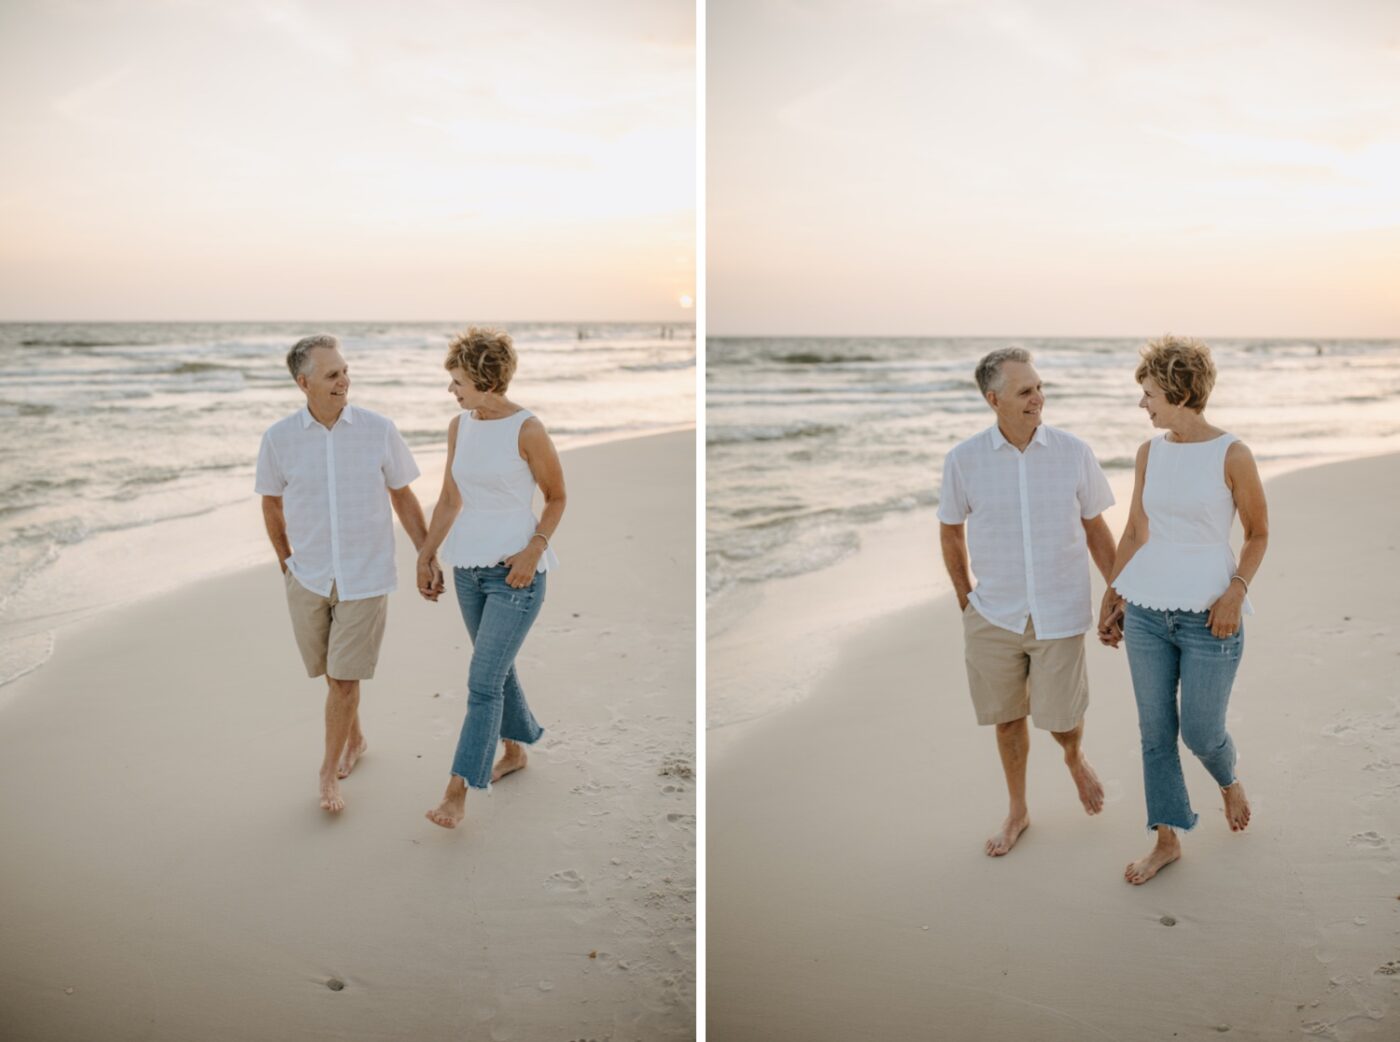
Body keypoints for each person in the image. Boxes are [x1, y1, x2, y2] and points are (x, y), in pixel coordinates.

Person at [1098, 335, 1268, 885]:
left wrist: (1236, 591)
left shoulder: (1233, 454)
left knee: (1201, 732)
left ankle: (1227, 779)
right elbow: (1135, 530)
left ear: (1178, 390)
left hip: (1210, 615)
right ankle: (1166, 839)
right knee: (1154, 733)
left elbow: (1258, 533)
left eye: (1148, 393)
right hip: (1147, 611)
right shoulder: (1151, 453)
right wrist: (1113, 591)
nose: (1142, 404)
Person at [938, 347, 1119, 857]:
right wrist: (964, 599)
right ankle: (1018, 809)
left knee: (1062, 717)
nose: (1038, 398)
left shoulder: (1073, 452)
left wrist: (1115, 592)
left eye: (1040, 387)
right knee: (1007, 716)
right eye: (1025, 391)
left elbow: (1096, 528)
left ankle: (1073, 757)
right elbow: (950, 532)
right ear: (993, 400)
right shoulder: (964, 460)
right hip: (993, 612)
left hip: (1060, 610)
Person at [255, 333, 431, 814]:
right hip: (308, 575)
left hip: (366, 575)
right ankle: (355, 739)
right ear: (303, 382)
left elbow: (403, 495)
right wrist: (286, 563)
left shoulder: (378, 430)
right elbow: (271, 504)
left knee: (345, 680)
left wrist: (425, 553)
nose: (344, 381)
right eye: (333, 375)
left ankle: (328, 772)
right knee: (331, 675)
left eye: (346, 371)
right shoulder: (278, 438)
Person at [415, 327, 566, 830]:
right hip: (467, 573)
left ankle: (457, 790)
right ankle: (515, 751)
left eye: (457, 380)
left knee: (482, 683)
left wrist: (533, 549)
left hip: (515, 576)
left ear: (483, 378)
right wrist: (427, 554)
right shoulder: (461, 427)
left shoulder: (528, 429)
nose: (452, 390)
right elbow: (450, 499)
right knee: (495, 668)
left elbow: (557, 496)